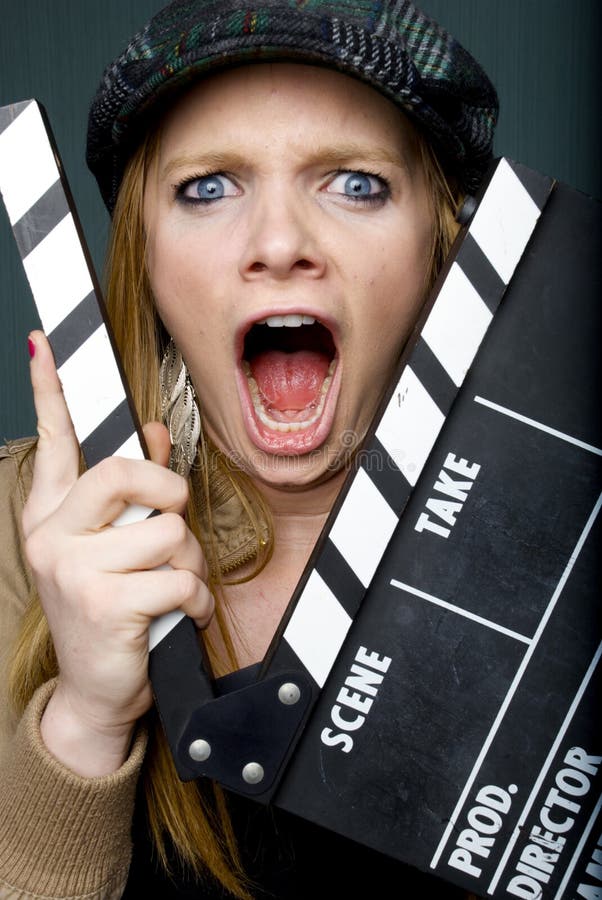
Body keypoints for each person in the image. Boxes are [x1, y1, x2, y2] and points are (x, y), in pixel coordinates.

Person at [0, 1, 498, 897]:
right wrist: (81, 723)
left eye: (354, 183)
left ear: (440, 245)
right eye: (208, 187)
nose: (278, 245)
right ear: (144, 258)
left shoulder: (570, 514)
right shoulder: (11, 533)